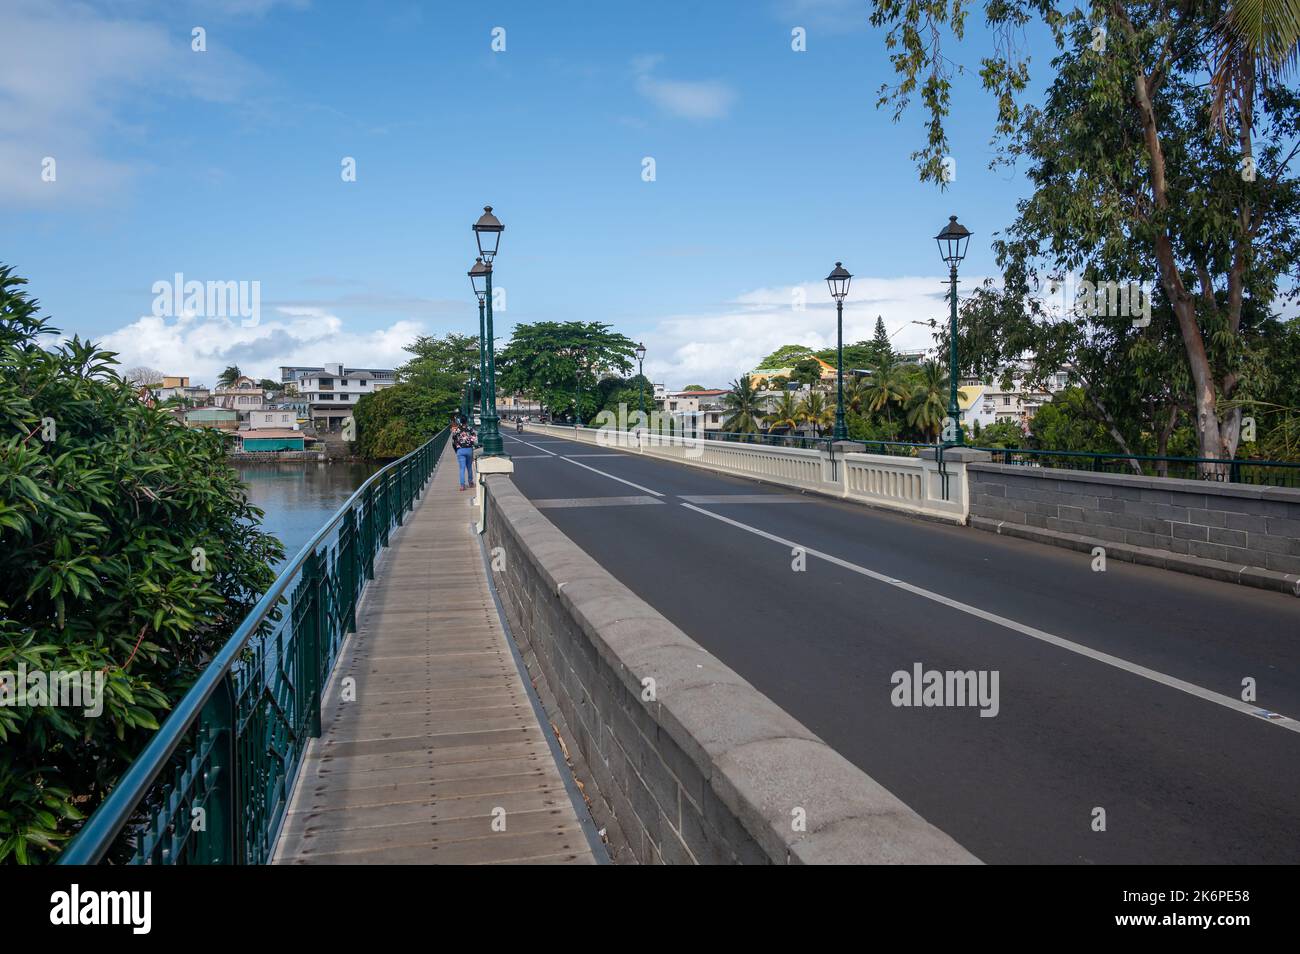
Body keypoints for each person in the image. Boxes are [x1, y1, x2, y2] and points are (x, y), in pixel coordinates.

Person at [452, 414, 477, 490]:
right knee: (469, 467)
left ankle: (462, 485)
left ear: (460, 421)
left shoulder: (457, 430)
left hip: (460, 450)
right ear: (466, 421)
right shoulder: (470, 428)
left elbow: (453, 441)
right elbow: (474, 438)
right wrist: (471, 444)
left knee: (462, 468)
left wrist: (456, 450)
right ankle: (470, 482)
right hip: (469, 449)